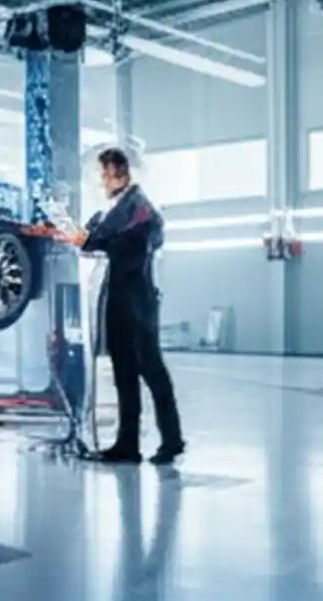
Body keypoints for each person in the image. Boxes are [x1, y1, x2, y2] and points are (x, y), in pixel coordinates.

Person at [69, 147, 184, 465]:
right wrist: (92, 237)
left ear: (117, 173)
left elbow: (129, 247)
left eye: (103, 174)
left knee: (150, 370)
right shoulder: (120, 210)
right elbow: (101, 238)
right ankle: (128, 443)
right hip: (124, 301)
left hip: (136, 305)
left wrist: (96, 240)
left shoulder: (140, 211)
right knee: (125, 375)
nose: (101, 181)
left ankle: (171, 440)